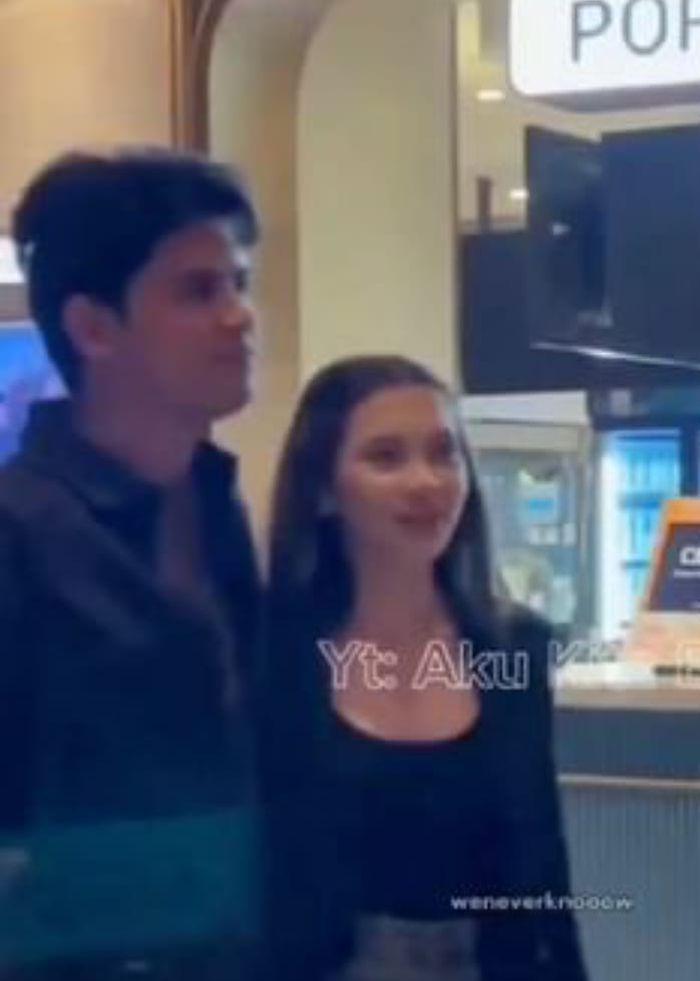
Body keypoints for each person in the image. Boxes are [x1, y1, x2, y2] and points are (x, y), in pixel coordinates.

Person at [0, 149, 264, 980]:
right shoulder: (20, 529)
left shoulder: (219, 508)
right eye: (198, 291)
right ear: (93, 326)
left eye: (240, 283)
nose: (240, 316)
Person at [261, 355, 589, 981]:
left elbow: (544, 873)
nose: (427, 481)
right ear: (324, 489)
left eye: (444, 454)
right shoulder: (270, 655)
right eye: (386, 458)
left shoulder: (514, 647)